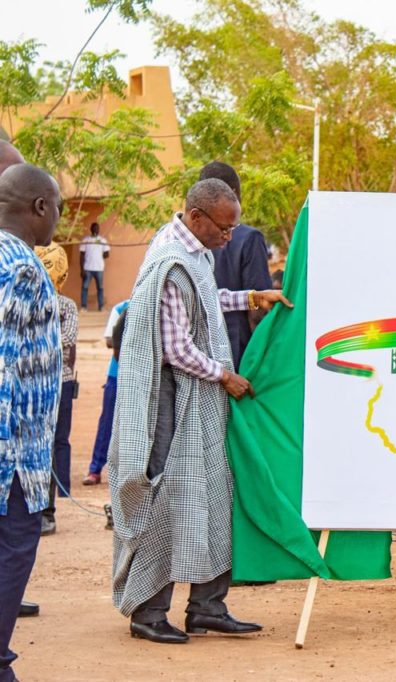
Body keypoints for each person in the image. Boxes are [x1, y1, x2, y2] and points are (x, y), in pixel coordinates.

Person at [108, 178, 291, 644]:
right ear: (196, 217)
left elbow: (205, 307)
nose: (229, 238)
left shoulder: (194, 255)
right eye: (224, 229)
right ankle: (148, 613)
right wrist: (225, 376)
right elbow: (176, 348)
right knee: (166, 497)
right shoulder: (171, 262)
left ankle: (207, 606)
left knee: (213, 491)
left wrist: (252, 297)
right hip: (170, 398)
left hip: (196, 399)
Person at [0, 162, 64, 682]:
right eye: (58, 208)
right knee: (12, 552)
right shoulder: (22, 266)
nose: (59, 220)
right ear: (40, 207)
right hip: (13, 456)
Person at [200, 162, 273, 369]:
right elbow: (260, 307)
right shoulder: (249, 238)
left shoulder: (187, 239)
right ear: (232, 194)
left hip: (200, 353)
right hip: (237, 350)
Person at [34, 243, 77, 536]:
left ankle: (47, 512)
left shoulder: (66, 307)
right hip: (36, 384)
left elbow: (68, 338)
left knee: (51, 444)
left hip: (58, 382)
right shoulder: (30, 302)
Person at [82, 299, 129, 486]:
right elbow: (110, 340)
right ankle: (95, 470)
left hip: (144, 376)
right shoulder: (121, 308)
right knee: (107, 423)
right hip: (117, 375)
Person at [79, 221, 109, 311]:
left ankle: (101, 307)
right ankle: (84, 307)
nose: (96, 229)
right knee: (85, 287)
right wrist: (82, 270)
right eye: (94, 228)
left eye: (97, 228)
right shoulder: (86, 240)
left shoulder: (103, 241)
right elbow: (81, 255)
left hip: (99, 268)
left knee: (100, 287)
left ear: (99, 229)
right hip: (87, 268)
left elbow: (107, 254)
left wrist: (102, 254)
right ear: (91, 229)